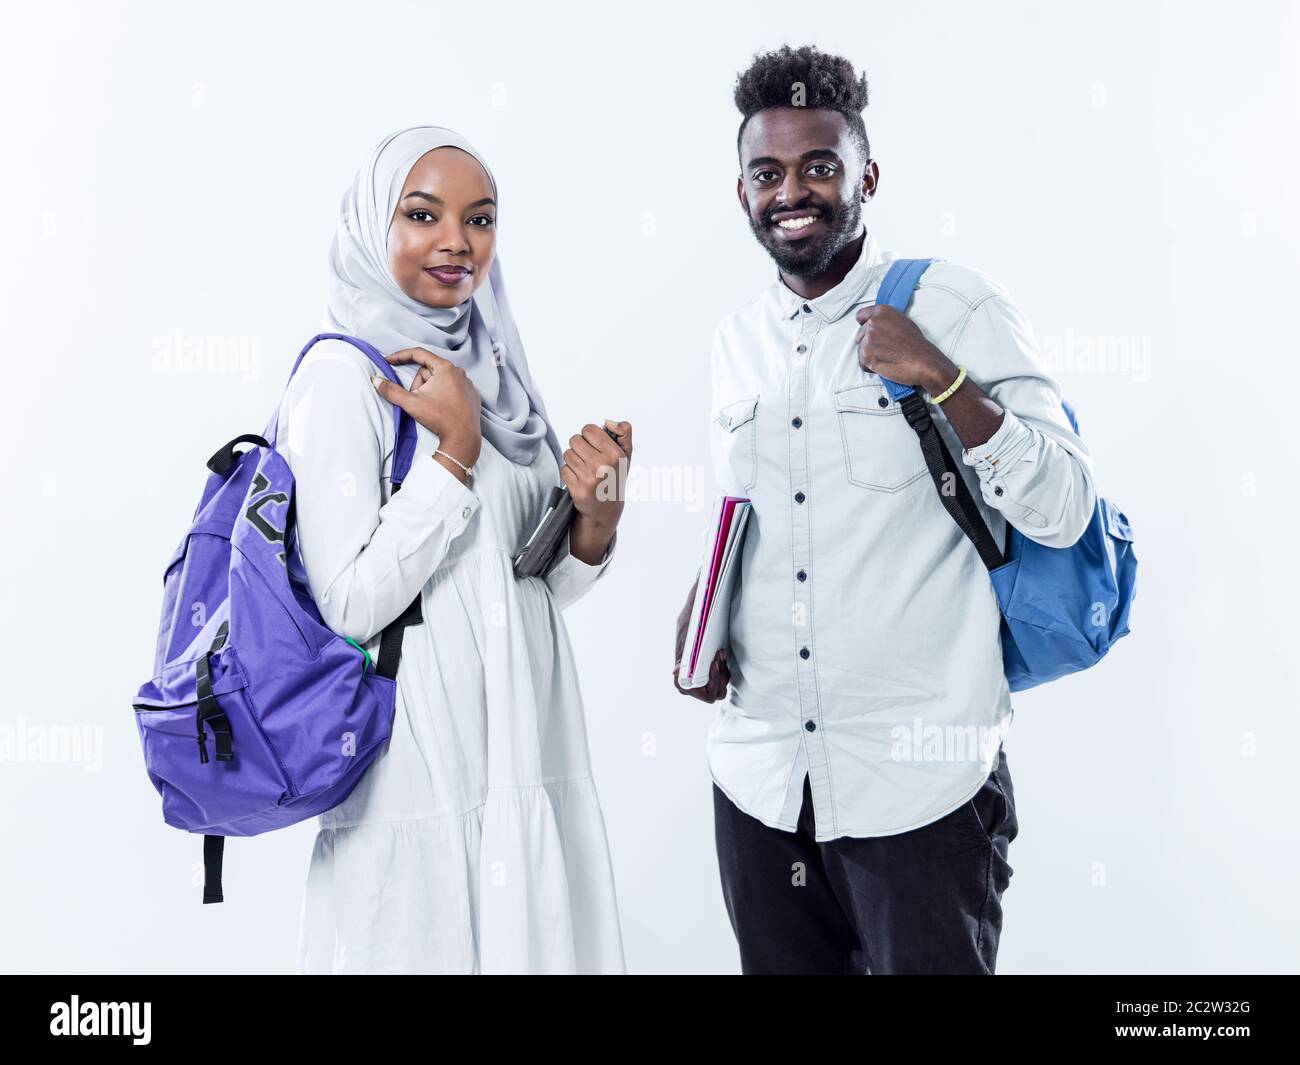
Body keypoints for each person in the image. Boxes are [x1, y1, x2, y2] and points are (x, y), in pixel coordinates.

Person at [674, 46, 1096, 974]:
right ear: (740, 190)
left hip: (922, 795)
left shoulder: (954, 302)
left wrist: (943, 380)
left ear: (867, 174)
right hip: (763, 785)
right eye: (768, 172)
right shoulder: (735, 343)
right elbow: (759, 520)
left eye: (820, 166)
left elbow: (1066, 506)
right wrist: (708, 611)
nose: (795, 190)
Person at [280, 125, 630, 974]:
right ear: (371, 225)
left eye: (479, 219)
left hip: (525, 742)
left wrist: (596, 516)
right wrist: (451, 455)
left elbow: (530, 587)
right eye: (421, 214)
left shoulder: (499, 370)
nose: (455, 243)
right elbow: (348, 605)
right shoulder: (342, 377)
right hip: (418, 772)